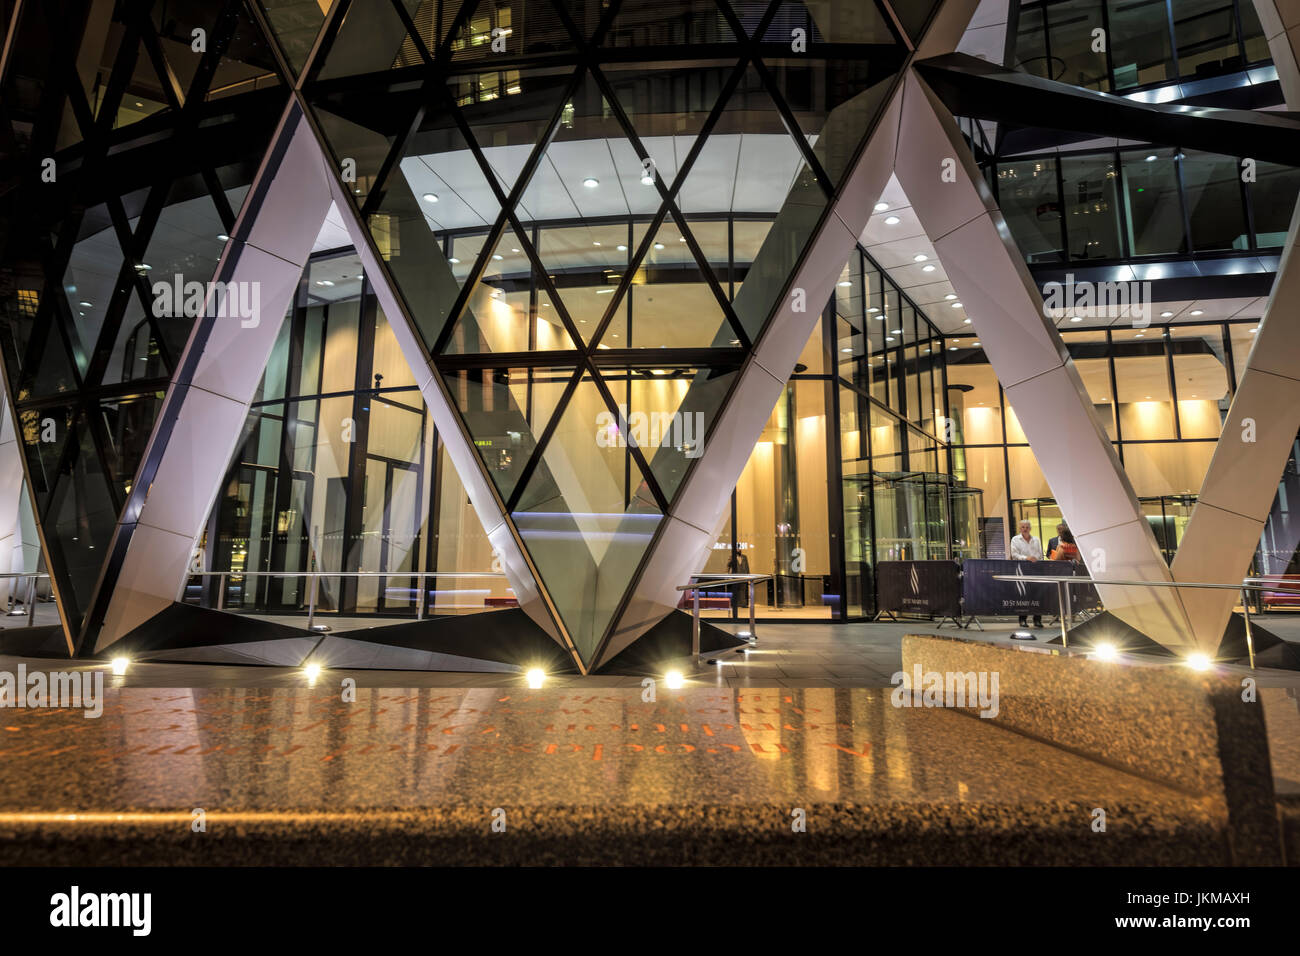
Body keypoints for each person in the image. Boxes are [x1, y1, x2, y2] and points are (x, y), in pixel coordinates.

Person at [1009, 519, 1043, 628]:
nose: (1025, 529)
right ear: (1020, 528)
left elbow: (1040, 554)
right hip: (1022, 570)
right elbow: (1014, 555)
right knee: (1023, 596)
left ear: (1030, 528)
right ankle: (1022, 620)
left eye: (1027, 527)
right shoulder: (1015, 539)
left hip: (1036, 570)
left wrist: (1035, 559)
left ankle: (1037, 620)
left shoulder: (1036, 540)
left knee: (1038, 595)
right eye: (1023, 527)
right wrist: (1027, 558)